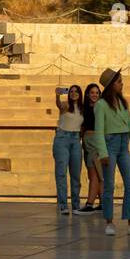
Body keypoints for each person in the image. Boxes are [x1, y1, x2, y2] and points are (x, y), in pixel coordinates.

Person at [93, 69, 130, 237]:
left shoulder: (123, 103)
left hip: (123, 145)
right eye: (119, 81)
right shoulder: (101, 105)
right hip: (109, 145)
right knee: (109, 186)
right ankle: (109, 221)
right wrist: (103, 153)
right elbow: (98, 131)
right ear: (111, 84)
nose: (122, 84)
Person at [52, 84, 84, 215]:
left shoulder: (83, 109)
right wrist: (57, 95)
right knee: (61, 173)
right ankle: (63, 205)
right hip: (62, 139)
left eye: (76, 91)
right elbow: (58, 104)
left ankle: (76, 205)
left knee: (76, 174)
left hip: (76, 140)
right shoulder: (65, 105)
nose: (74, 93)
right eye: (71, 91)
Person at [77, 83, 103, 214]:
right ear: (87, 94)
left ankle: (89, 204)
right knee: (94, 173)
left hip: (96, 142)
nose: (95, 95)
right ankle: (103, 203)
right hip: (87, 143)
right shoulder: (85, 108)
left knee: (95, 174)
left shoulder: (101, 107)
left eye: (97, 93)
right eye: (92, 92)